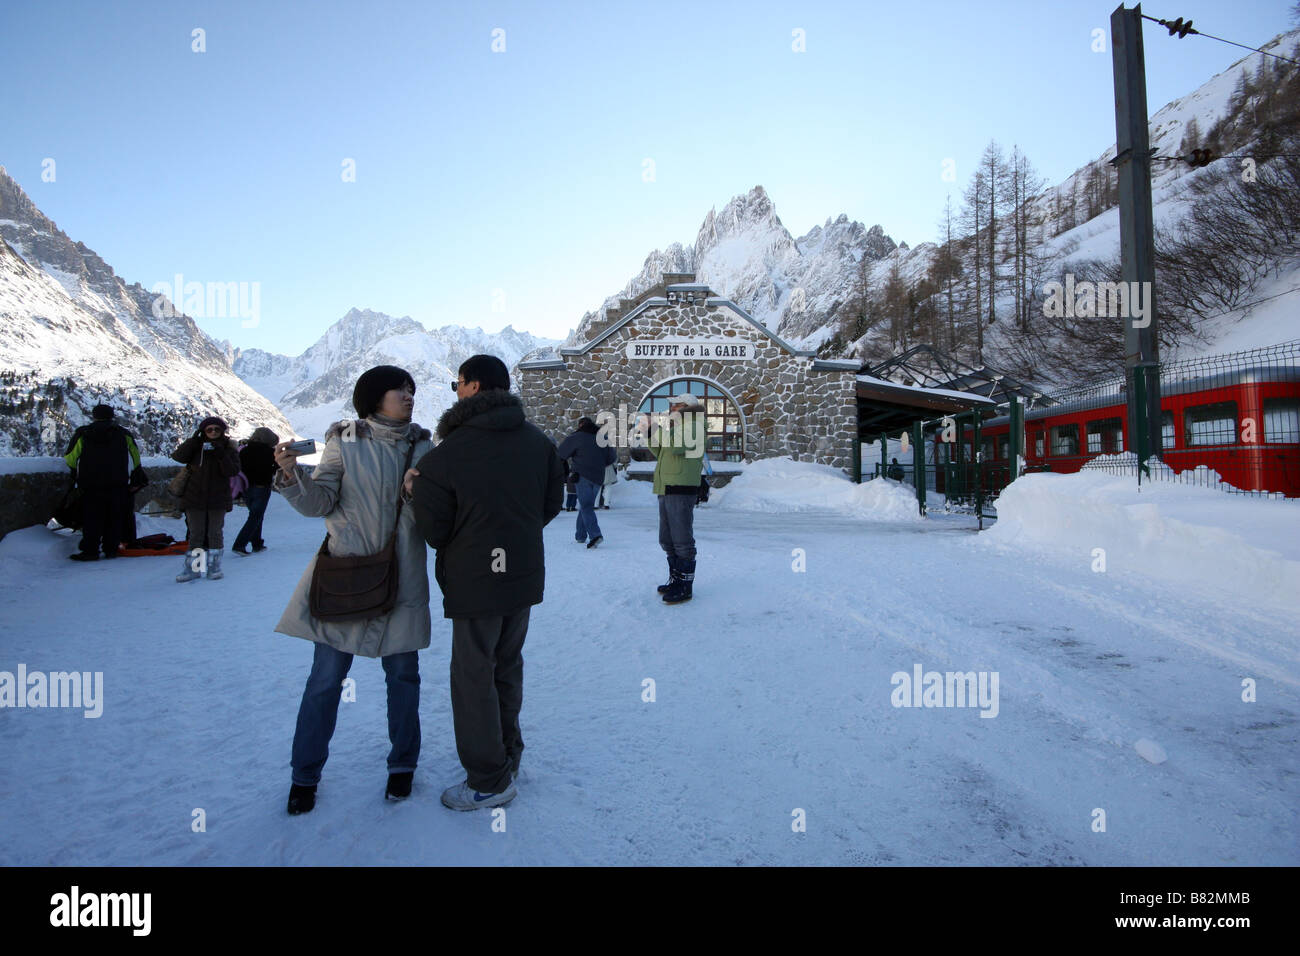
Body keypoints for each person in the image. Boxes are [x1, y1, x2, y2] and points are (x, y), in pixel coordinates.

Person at [273, 366, 434, 815]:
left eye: (411, 389)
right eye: (399, 389)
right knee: (324, 682)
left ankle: (402, 768)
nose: (408, 396)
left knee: (404, 679)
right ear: (373, 396)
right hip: (346, 579)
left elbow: (437, 519)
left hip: (402, 580)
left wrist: (421, 494)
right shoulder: (343, 441)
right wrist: (291, 478)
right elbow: (319, 502)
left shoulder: (424, 446)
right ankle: (304, 776)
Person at [407, 354, 563, 811]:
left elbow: (435, 530)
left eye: (458, 383)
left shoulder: (446, 455)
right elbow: (551, 503)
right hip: (522, 574)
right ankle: (507, 757)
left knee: (473, 675)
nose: (455, 391)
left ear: (473, 387)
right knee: (506, 664)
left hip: (476, 579)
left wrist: (416, 493)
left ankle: (488, 780)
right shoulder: (538, 442)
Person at [642, 390, 706, 604]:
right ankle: (676, 580)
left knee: (681, 540)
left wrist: (655, 427)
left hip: (681, 487)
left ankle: (685, 586)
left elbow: (675, 446)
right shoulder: (678, 428)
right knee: (667, 539)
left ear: (686, 407)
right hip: (667, 486)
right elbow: (661, 452)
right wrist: (650, 432)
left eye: (675, 405)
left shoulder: (695, 426)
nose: (671, 409)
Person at [64, 404, 143, 561]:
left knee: (92, 518)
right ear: (112, 415)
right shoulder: (123, 434)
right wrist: (135, 476)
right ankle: (111, 549)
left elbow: (71, 458)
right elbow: (135, 459)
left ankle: (90, 550)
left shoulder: (83, 433)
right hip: (118, 484)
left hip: (90, 484)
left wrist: (75, 473)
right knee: (114, 517)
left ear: (94, 416)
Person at [171, 416, 241, 581]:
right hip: (194, 496)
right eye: (209, 429)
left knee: (214, 532)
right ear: (203, 431)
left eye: (217, 429)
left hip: (218, 498)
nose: (213, 432)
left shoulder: (228, 449)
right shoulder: (196, 447)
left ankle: (214, 568)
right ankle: (194, 569)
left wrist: (221, 454)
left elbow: (232, 471)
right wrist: (193, 442)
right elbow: (178, 457)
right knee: (196, 533)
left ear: (222, 431)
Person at [557, 416, 616, 549]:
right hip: (598, 477)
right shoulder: (603, 438)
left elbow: (560, 455)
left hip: (581, 476)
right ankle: (580, 535)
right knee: (586, 505)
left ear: (581, 425)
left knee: (586, 506)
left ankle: (595, 535)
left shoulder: (576, 437)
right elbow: (611, 457)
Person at [232, 427, 279, 555]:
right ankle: (239, 545)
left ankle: (257, 543)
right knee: (255, 517)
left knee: (255, 515)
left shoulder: (244, 450)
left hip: (246, 487)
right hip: (261, 487)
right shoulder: (269, 452)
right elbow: (275, 468)